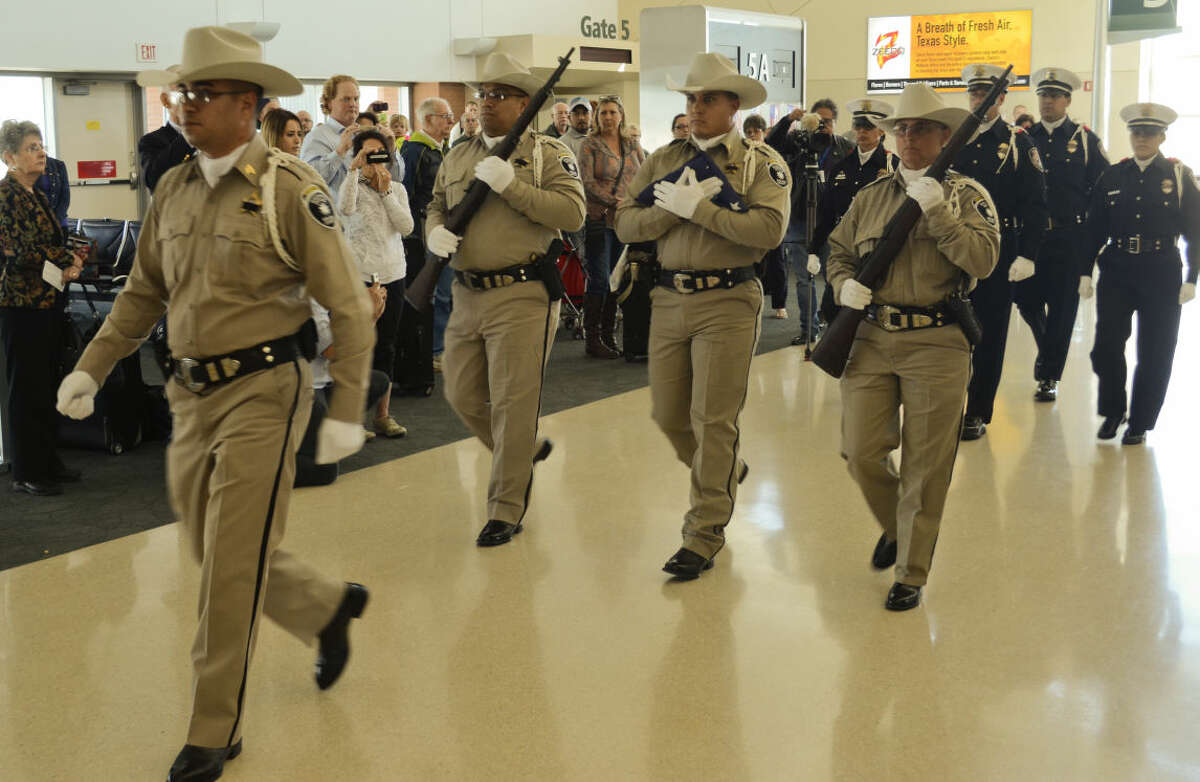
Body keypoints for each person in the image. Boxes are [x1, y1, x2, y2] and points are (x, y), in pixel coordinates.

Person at [55, 27, 376, 781]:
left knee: (228, 566)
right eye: (185, 91)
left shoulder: (289, 189)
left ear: (247, 105)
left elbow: (349, 306)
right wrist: (92, 367)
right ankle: (325, 607)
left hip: (267, 390)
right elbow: (144, 293)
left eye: (203, 93)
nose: (187, 105)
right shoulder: (173, 186)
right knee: (217, 543)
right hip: (190, 396)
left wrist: (350, 408)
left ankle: (213, 728)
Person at [614, 52, 791, 580]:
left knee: (712, 420)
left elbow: (768, 233)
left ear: (733, 106)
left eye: (708, 99)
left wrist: (703, 211)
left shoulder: (762, 162)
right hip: (668, 299)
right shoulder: (665, 158)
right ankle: (727, 471)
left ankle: (703, 532)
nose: (695, 108)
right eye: (691, 99)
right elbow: (625, 224)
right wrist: (670, 210)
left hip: (728, 301)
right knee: (670, 416)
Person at [826, 83, 999, 611]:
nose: (908, 138)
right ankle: (897, 527)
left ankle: (912, 571)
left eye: (920, 128)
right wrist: (842, 286)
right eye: (902, 128)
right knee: (860, 452)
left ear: (946, 137)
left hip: (937, 341)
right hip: (872, 337)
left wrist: (939, 213)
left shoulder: (968, 195)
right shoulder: (871, 195)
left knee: (926, 466)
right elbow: (837, 251)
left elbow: (983, 261)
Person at [426, 52, 585, 547]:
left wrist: (512, 186)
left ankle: (505, 508)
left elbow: (573, 213)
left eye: (498, 95)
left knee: (513, 407)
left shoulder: (548, 155)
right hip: (465, 294)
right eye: (483, 94)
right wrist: (433, 232)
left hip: (522, 295)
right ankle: (521, 451)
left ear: (525, 103)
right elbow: (436, 204)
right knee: (461, 394)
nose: (486, 103)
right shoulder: (458, 153)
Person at [1081, 102, 1199, 445]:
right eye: (1136, 132)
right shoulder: (1113, 176)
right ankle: (1113, 411)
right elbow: (1094, 228)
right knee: (1105, 347)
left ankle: (1141, 421)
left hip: (1162, 271)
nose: (1142, 138)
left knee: (1156, 349)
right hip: (1117, 268)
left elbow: (1196, 229)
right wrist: (1084, 272)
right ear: (1130, 135)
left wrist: (1193, 277)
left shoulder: (1178, 176)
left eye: (1149, 133)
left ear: (1162, 137)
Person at [953, 65, 1049, 441]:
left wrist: (1029, 254)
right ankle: (949, 402)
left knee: (989, 335)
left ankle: (977, 410)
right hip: (955, 246)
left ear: (1002, 99)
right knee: (950, 331)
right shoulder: (955, 138)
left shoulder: (1017, 142)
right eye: (976, 94)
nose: (981, 101)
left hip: (999, 247)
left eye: (989, 95)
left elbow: (1036, 204)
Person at [1, 120, 88, 496]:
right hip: (21, 303)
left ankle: (48, 460)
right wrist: (63, 259)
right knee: (27, 387)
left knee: (48, 381)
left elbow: (52, 239)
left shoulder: (37, 192)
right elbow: (16, 252)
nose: (41, 153)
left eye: (41, 146)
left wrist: (73, 260)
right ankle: (26, 470)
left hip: (48, 298)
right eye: (32, 148)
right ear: (10, 157)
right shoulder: (6, 196)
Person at [1016, 67, 1108, 402]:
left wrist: (1094, 240)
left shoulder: (1085, 140)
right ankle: (1048, 348)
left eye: (1054, 96)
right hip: (1032, 238)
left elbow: (1102, 190)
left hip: (1070, 238)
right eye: (1043, 95)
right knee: (1024, 299)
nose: (1047, 102)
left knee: (1063, 308)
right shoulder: (1024, 139)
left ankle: (1049, 375)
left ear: (1067, 100)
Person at [339, 129, 414, 437]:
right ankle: (354, 419)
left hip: (393, 274)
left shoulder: (396, 189)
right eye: (368, 154)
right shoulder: (352, 185)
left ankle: (382, 415)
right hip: (359, 276)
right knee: (358, 347)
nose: (375, 161)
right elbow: (344, 209)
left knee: (387, 345)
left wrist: (384, 194)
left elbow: (407, 227)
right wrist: (354, 170)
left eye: (380, 153)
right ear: (358, 156)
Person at [806, 99, 901, 328]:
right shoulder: (841, 167)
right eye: (857, 126)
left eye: (867, 127)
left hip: (874, 246)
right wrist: (813, 250)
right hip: (845, 246)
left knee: (867, 307)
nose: (861, 132)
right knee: (833, 306)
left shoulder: (893, 166)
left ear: (881, 130)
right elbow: (827, 212)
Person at [766, 98, 855, 342]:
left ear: (835, 123)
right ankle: (808, 331)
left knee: (833, 277)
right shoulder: (797, 142)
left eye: (826, 122)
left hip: (831, 224)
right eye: (817, 121)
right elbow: (771, 144)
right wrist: (789, 120)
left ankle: (835, 326)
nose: (821, 127)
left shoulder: (844, 147)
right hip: (799, 219)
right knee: (804, 280)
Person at [294, 295, 391, 486]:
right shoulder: (308, 300)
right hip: (304, 387)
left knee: (377, 382)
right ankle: (259, 469)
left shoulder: (324, 297)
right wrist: (368, 318)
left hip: (324, 380)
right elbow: (337, 353)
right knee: (325, 471)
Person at [578, 95, 641, 359]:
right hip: (599, 219)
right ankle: (592, 338)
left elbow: (644, 173)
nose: (607, 117)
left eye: (612, 112)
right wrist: (614, 201)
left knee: (616, 280)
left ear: (621, 115)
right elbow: (587, 182)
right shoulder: (589, 144)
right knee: (600, 279)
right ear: (597, 116)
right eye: (603, 113)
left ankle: (608, 334)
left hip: (625, 221)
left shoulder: (631, 144)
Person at [398, 97, 454, 391]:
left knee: (446, 292)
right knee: (434, 294)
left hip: (441, 231)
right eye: (446, 116)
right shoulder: (415, 150)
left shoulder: (441, 149)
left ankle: (441, 346)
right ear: (429, 119)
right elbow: (405, 195)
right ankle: (433, 351)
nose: (450, 122)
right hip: (422, 235)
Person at [300, 73, 402, 194]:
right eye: (346, 99)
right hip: (340, 212)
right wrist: (339, 152)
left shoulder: (368, 136)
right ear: (329, 103)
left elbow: (396, 179)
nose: (353, 104)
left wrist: (391, 150)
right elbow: (310, 180)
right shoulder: (316, 137)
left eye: (356, 99)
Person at [138, 66, 195, 193]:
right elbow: (154, 181)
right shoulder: (152, 141)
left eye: (194, 93)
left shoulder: (212, 137)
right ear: (165, 100)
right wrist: (189, 133)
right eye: (181, 93)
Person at [36, 154, 70, 229]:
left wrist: (55, 219)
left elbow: (65, 196)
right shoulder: (26, 167)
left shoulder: (58, 165)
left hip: (59, 221)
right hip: (37, 222)